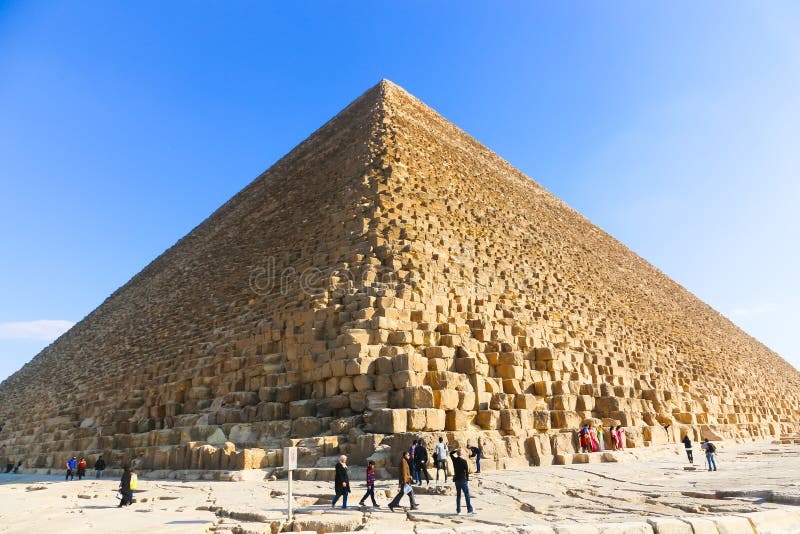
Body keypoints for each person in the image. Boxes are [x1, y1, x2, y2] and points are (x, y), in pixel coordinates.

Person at [450, 449, 475, 514]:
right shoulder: (464, 461)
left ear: (457, 454)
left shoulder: (454, 460)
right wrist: (467, 479)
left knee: (458, 495)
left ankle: (458, 510)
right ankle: (469, 510)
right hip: (463, 480)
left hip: (457, 480)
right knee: (467, 494)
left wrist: (455, 450)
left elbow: (450, 454)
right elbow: (466, 472)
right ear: (461, 454)